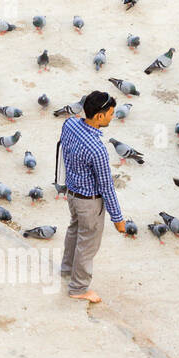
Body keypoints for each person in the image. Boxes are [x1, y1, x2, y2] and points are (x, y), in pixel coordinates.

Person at [56, 90, 126, 303]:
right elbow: (106, 187)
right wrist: (118, 219)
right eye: (110, 114)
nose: (112, 117)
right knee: (88, 244)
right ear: (99, 116)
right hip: (89, 203)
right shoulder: (97, 149)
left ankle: (67, 269)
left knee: (74, 231)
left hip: (72, 194)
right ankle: (78, 288)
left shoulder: (69, 124)